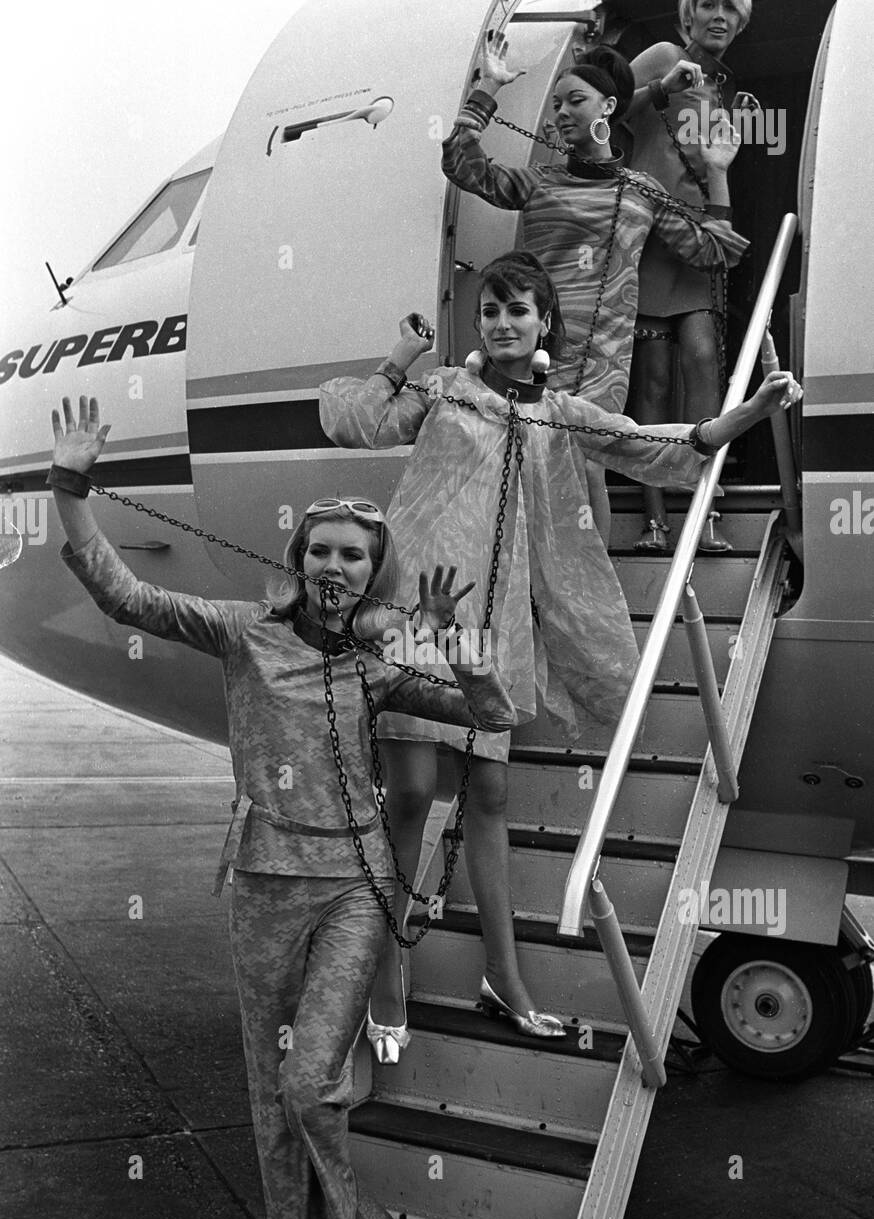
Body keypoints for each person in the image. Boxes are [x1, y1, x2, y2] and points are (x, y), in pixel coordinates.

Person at [47, 395, 516, 1219]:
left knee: (310, 1084)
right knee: (271, 1092)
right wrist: (72, 490)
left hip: (353, 884)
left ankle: (349, 1206)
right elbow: (126, 594)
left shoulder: (381, 664)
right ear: (298, 558)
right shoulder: (243, 635)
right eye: (320, 548)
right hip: (264, 877)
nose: (333, 563)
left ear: (371, 573)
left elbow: (491, 717)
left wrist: (461, 648)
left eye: (353, 554)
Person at [319, 251, 800, 1047]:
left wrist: (750, 413)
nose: (502, 324)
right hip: (418, 610)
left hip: (498, 625)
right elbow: (349, 420)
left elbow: (659, 447)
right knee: (406, 796)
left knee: (492, 800)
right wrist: (397, 359)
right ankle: (387, 977)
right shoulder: (443, 390)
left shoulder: (564, 412)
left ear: (546, 322)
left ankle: (503, 978)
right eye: (490, 312)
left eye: (518, 310)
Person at [442, 32, 749, 544]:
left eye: (575, 101)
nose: (561, 112)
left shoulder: (641, 191)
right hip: (537, 352)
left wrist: (717, 173)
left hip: (605, 364)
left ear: (610, 107)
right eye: (557, 103)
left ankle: (588, 588)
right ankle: (535, 593)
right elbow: (462, 165)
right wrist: (487, 89)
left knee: (586, 469)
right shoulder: (539, 181)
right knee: (526, 470)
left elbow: (713, 251)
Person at [624, 0, 754, 552]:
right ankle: (656, 522)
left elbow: (703, 165)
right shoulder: (660, 56)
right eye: (709, 5)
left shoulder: (723, 87)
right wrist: (660, 87)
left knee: (704, 363)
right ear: (688, 16)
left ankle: (705, 511)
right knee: (652, 378)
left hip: (697, 243)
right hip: (651, 236)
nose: (720, 16)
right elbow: (599, 114)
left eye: (732, 8)